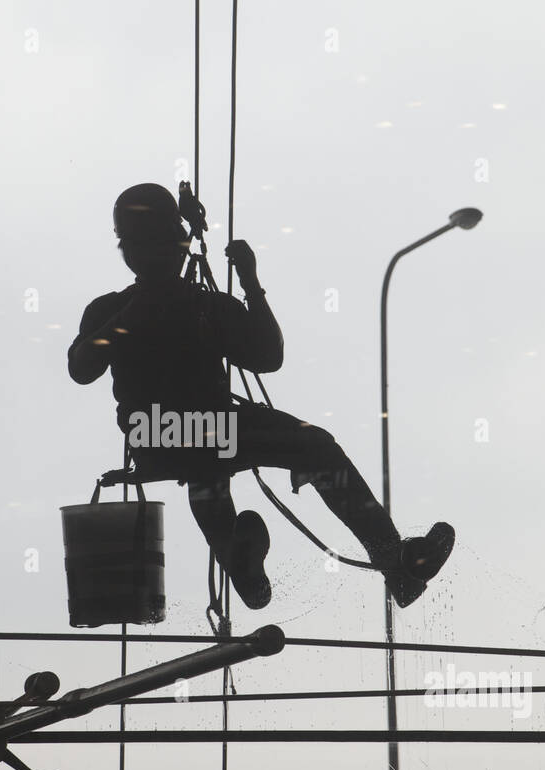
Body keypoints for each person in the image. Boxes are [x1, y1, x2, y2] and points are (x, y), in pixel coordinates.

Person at [68, 182, 453, 610]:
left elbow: (267, 356)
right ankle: (388, 561)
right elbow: (82, 367)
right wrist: (137, 315)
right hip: (172, 432)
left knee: (213, 471)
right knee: (307, 448)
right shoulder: (142, 308)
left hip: (186, 433)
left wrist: (250, 285)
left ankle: (250, 574)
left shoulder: (202, 306)